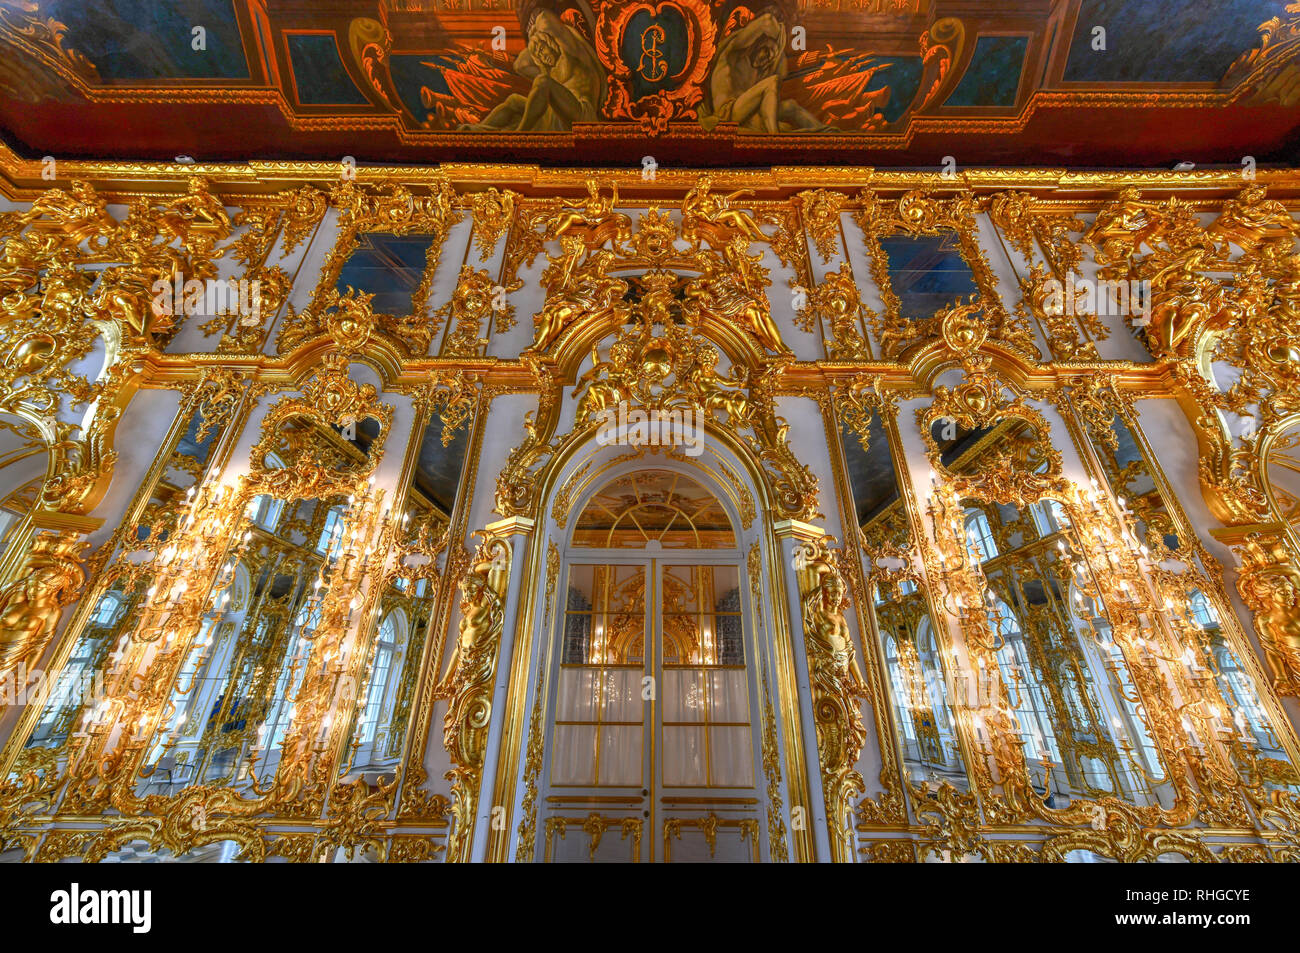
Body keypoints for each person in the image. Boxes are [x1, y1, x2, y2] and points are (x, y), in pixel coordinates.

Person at [463, 9, 604, 132]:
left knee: (543, 82)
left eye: (542, 50)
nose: (543, 57)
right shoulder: (549, 69)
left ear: (550, 41)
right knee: (513, 101)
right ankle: (479, 130)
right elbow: (520, 65)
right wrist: (535, 47)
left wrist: (534, 33)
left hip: (581, 114)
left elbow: (544, 18)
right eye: (539, 56)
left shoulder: (571, 52)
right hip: (557, 115)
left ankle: (521, 133)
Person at [700, 11, 829, 133]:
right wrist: (780, 32)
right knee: (772, 81)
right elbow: (766, 20)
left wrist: (779, 49)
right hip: (727, 113)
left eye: (771, 57)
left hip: (744, 111)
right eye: (766, 51)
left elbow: (782, 73)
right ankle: (773, 136)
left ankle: (826, 133)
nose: (767, 59)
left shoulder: (755, 69)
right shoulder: (732, 55)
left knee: (791, 106)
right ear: (757, 43)